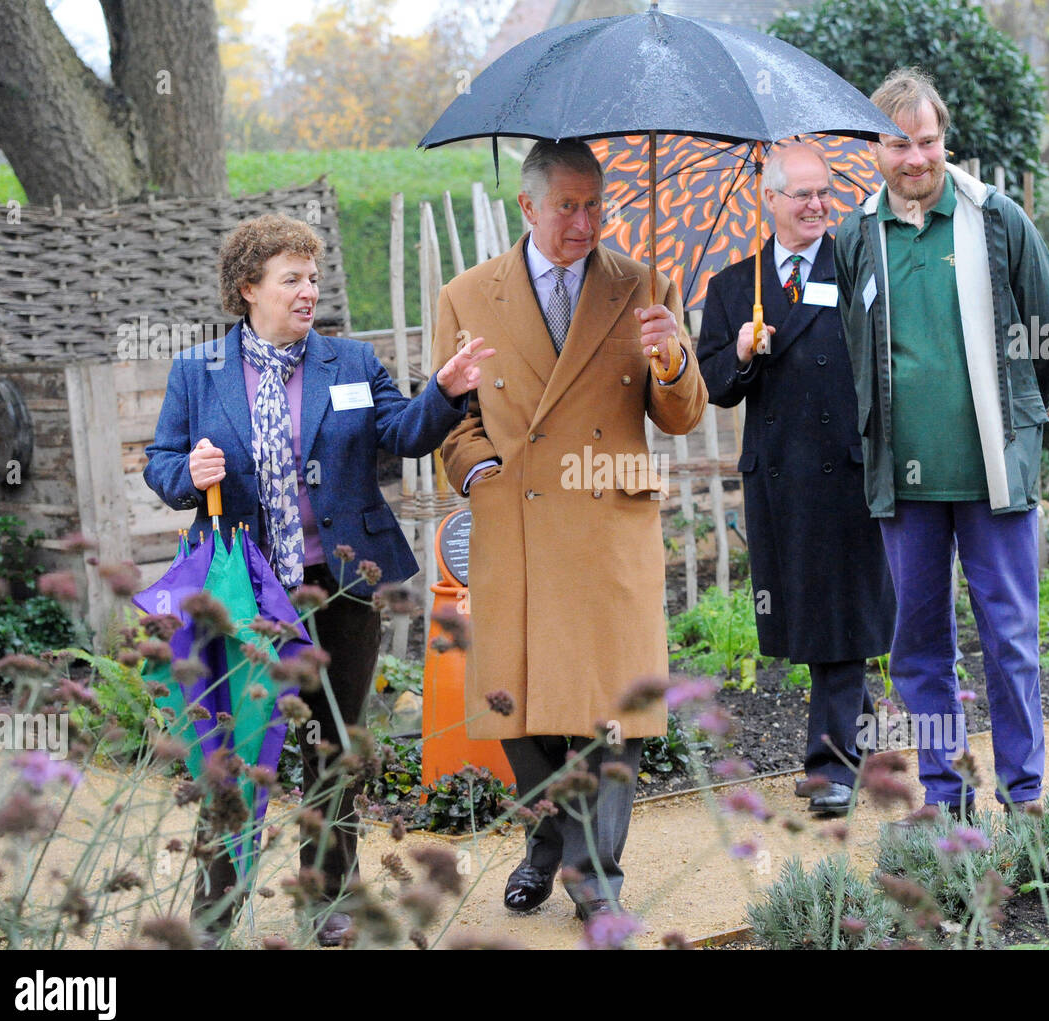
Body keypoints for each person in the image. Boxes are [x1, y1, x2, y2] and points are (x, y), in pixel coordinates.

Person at [144, 213, 491, 945]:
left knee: (335, 746)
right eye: (291, 280)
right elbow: (161, 460)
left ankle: (328, 903)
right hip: (246, 595)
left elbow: (402, 433)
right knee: (237, 751)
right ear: (248, 289)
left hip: (340, 588)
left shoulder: (351, 363)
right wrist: (187, 474)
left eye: (313, 277)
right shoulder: (196, 372)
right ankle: (216, 909)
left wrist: (447, 390)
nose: (309, 292)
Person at [431, 139, 708, 922]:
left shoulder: (642, 286)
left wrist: (672, 359)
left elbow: (681, 416)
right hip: (515, 526)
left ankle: (596, 885)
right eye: (568, 206)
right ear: (527, 206)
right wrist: (481, 471)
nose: (586, 222)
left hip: (606, 526)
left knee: (608, 712)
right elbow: (455, 421)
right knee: (519, 712)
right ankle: (546, 846)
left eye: (596, 204)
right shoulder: (465, 294)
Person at [833, 68, 1049, 816]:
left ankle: (1024, 795)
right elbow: (857, 351)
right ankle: (946, 795)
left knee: (1011, 640)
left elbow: (1047, 336)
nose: (914, 159)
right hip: (906, 484)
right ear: (876, 149)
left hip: (993, 475)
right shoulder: (855, 236)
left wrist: (1018, 428)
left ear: (944, 141)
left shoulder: (997, 220)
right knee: (918, 648)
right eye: (898, 144)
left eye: (926, 142)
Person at [696, 142, 894, 817]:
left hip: (847, 471)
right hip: (779, 481)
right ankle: (861, 739)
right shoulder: (732, 288)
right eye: (802, 194)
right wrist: (743, 353)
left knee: (840, 617)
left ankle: (830, 769)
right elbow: (712, 386)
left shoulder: (861, 268)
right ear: (770, 199)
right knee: (812, 618)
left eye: (824, 193)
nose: (817, 205)